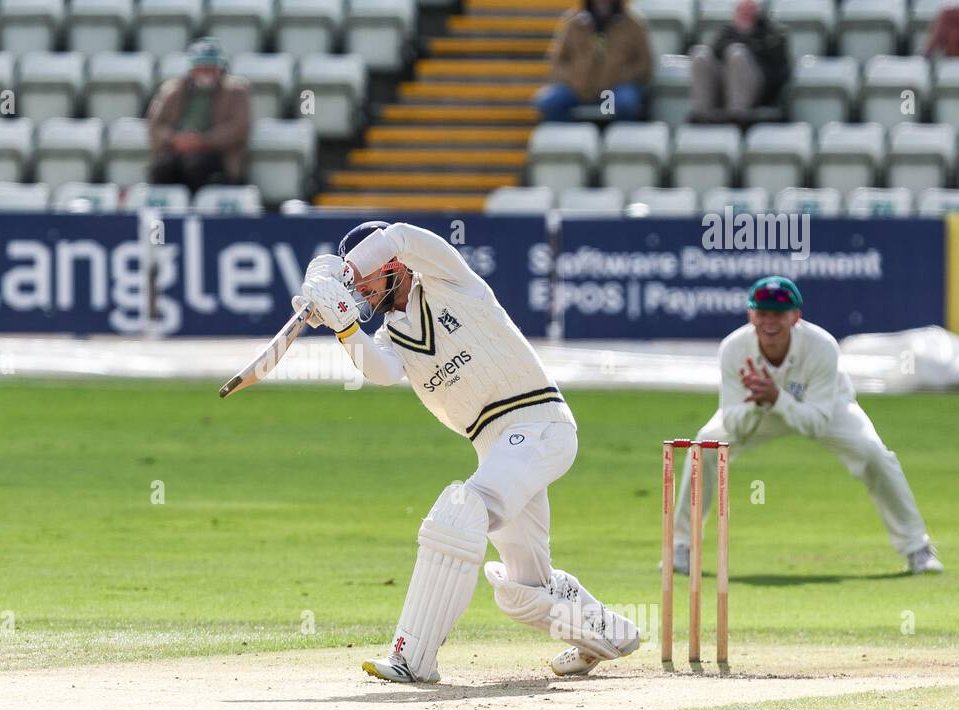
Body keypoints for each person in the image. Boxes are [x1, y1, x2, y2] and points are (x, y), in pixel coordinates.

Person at [292, 222, 642, 683]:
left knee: (459, 513)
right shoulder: (392, 334)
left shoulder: (448, 279)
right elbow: (379, 372)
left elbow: (402, 235)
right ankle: (609, 632)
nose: (357, 289)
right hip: (497, 449)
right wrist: (345, 327)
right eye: (351, 285)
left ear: (389, 266)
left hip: (538, 425)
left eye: (360, 280)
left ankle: (412, 657)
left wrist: (343, 268)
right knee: (520, 592)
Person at [670, 276, 942, 576]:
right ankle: (681, 545)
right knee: (705, 445)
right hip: (759, 408)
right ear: (751, 315)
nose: (770, 321)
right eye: (762, 313)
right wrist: (761, 402)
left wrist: (776, 397)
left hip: (825, 407)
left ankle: (918, 548)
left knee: (874, 454)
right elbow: (734, 423)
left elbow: (815, 424)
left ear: (795, 316)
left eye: (778, 314)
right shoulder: (733, 349)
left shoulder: (822, 346)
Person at [146, 37, 251, 192]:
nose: (206, 73)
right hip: (176, 150)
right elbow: (155, 124)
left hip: (216, 153)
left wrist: (204, 141)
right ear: (193, 68)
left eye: (210, 68)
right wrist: (175, 139)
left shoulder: (235, 91)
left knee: (195, 166)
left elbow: (239, 127)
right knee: (161, 168)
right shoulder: (172, 90)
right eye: (202, 67)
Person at [534, 0, 652, 122]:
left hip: (615, 90)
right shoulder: (573, 23)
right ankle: (569, 139)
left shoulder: (633, 24)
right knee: (549, 102)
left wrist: (620, 76)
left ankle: (619, 139)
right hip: (577, 91)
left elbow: (644, 64)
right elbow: (557, 61)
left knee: (626, 102)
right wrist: (574, 80)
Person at [690, 0, 790, 121]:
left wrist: (746, 39)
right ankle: (702, 112)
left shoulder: (773, 34)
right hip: (725, 86)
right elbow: (716, 51)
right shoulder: (727, 32)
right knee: (700, 54)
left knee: (737, 53)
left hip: (760, 90)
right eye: (741, 10)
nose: (745, 14)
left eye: (749, 10)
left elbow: (778, 69)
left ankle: (738, 113)